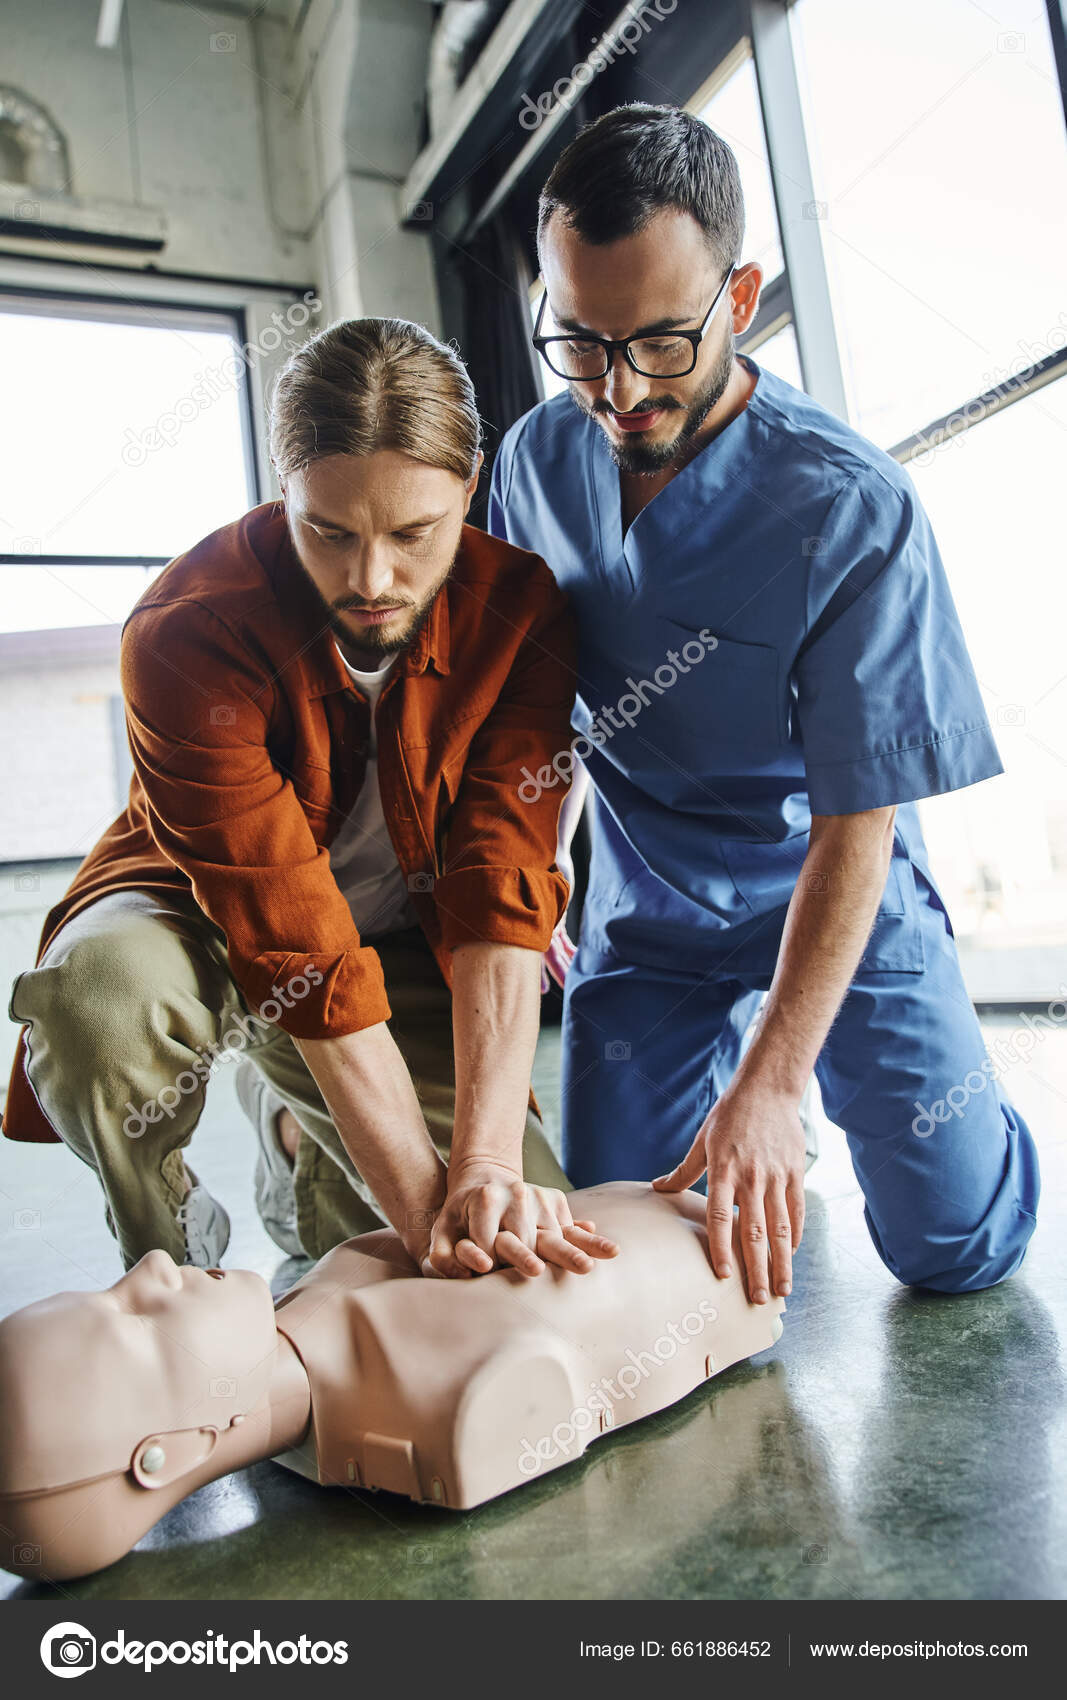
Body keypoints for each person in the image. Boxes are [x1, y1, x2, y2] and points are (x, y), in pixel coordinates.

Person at [489, 104, 1040, 1304]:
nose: (616, 390)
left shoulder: (852, 508)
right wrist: (530, 880)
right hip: (648, 903)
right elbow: (529, 717)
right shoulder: (530, 466)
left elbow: (859, 820)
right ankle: (736, 1066)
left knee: (950, 1249)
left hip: (832, 877)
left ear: (738, 296)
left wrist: (778, 1082)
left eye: (658, 342)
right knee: (620, 1227)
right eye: (577, 341)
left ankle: (908, 1099)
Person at [4, 317, 615, 1283]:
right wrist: (430, 1225)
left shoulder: (522, 610)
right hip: (199, 915)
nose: (372, 581)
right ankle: (163, 1242)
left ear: (469, 487)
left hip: (394, 936)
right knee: (101, 1007)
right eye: (326, 532)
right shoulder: (186, 629)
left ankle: (291, 1131)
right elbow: (290, 939)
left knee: (509, 1218)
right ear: (282, 491)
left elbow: (502, 884)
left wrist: (485, 1169)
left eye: (415, 534)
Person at [0, 1181, 783, 1582]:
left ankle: (290, 1145)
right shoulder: (455, 1408)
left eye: (116, 1287)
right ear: (155, 1458)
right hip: (723, 1258)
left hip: (681, 1223)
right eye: (134, 1323)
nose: (151, 1267)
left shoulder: (320, 1300)